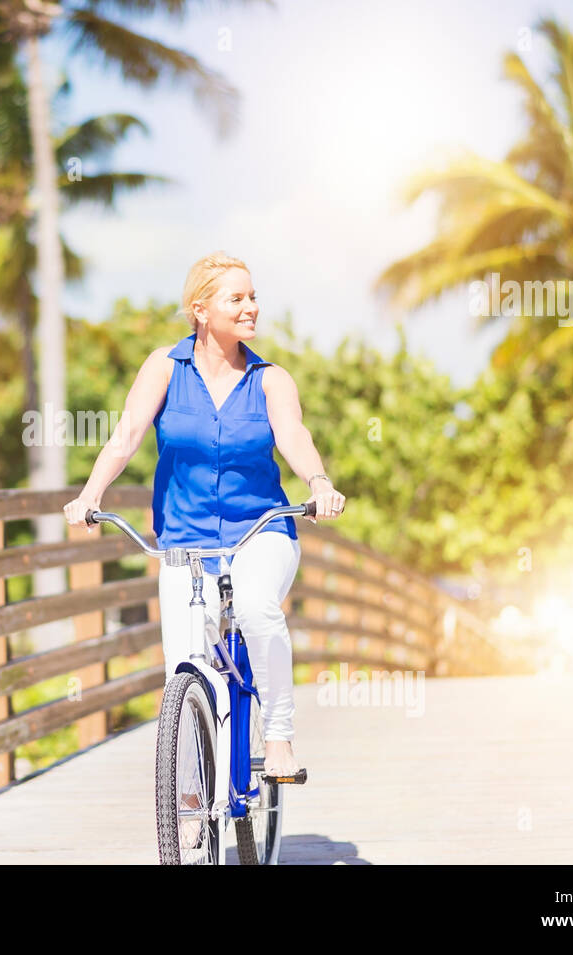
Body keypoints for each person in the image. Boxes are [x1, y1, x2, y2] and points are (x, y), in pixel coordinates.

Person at [63, 251, 346, 777]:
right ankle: (193, 805)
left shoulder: (270, 380)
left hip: (260, 530)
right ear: (200, 310)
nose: (251, 308)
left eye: (253, 296)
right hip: (185, 540)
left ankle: (279, 736)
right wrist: (90, 495)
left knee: (259, 607)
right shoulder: (164, 368)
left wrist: (320, 482)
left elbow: (293, 436)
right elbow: (125, 437)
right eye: (235, 298)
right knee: (186, 671)